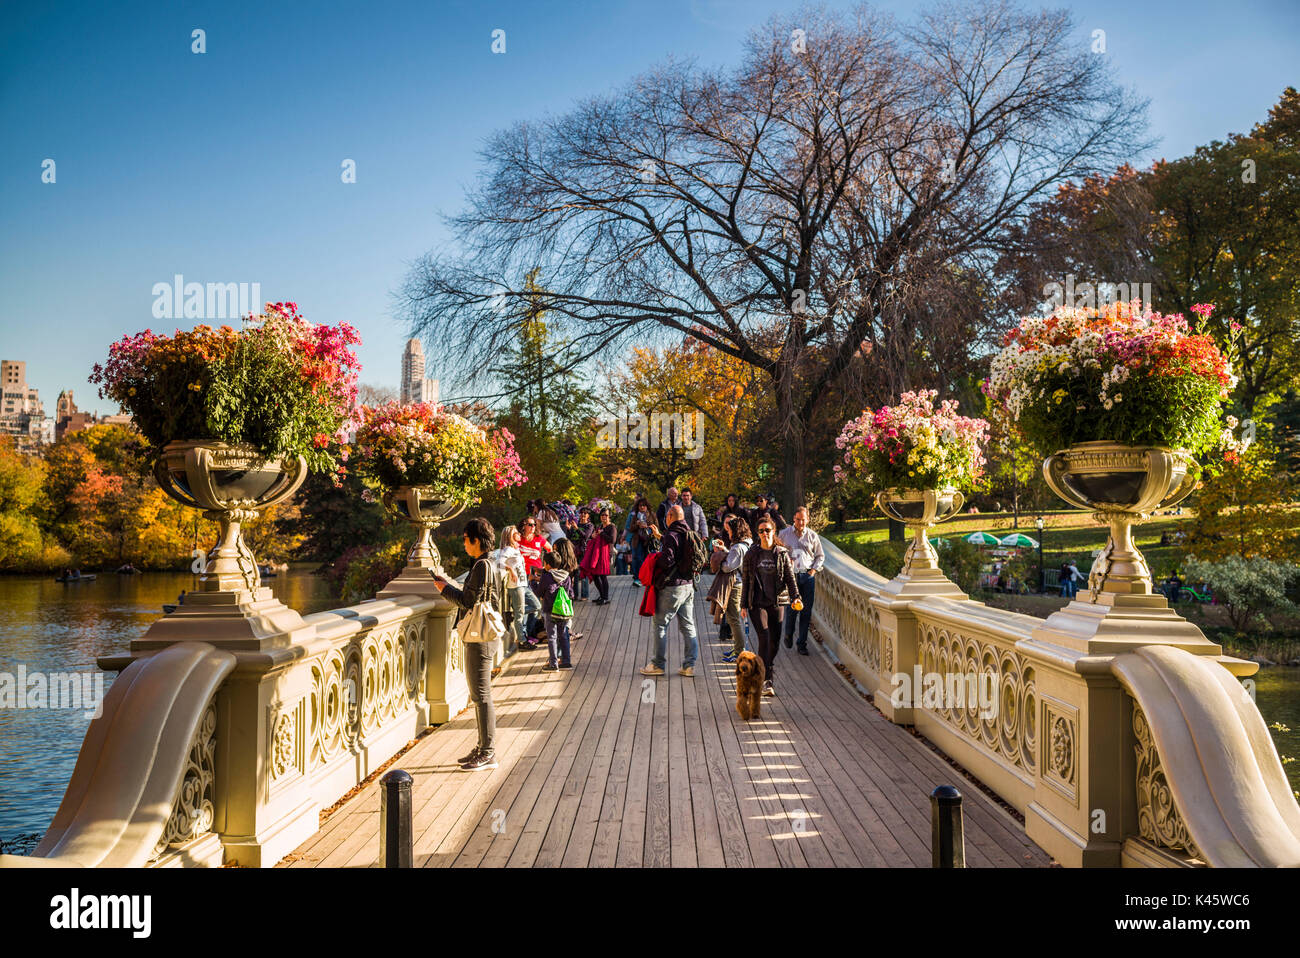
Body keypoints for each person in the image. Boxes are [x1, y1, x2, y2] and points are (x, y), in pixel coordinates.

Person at [430, 517, 503, 772]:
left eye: (465, 538)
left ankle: (488, 752)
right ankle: (483, 746)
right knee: (479, 694)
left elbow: (468, 601)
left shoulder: (482, 565)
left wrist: (444, 588)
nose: (463, 543)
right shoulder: (489, 563)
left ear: (475, 539)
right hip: (485, 637)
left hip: (481, 638)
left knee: (481, 696)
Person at [742, 518, 801, 696]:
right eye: (761, 531)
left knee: (774, 643)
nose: (764, 534)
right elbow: (746, 580)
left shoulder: (781, 553)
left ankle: (763, 668)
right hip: (757, 603)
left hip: (777, 603)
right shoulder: (752, 554)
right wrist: (744, 604)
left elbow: (790, 579)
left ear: (773, 531)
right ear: (757, 534)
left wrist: (796, 597)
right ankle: (766, 680)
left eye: (767, 530)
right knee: (764, 637)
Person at [640, 504, 700, 678]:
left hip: (672, 586)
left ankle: (658, 664)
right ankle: (689, 666)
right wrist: (661, 537)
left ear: (670, 516)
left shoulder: (671, 535)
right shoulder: (690, 533)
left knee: (660, 624)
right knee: (688, 625)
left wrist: (655, 559)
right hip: (688, 586)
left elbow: (667, 561)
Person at [779, 506, 825, 655]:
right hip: (791, 577)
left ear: (808, 520)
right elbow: (777, 552)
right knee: (792, 609)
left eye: (803, 520)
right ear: (794, 519)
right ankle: (789, 634)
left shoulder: (812, 536)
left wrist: (813, 571)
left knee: (806, 611)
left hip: (807, 576)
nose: (800, 522)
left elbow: (820, 556)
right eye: (798, 519)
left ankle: (802, 644)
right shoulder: (784, 534)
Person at [532, 549, 575, 671]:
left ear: (548, 565)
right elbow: (571, 594)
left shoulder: (546, 577)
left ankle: (553, 664)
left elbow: (539, 592)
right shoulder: (566, 576)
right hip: (563, 611)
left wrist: (532, 582)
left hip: (550, 611)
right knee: (564, 635)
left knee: (552, 637)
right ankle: (566, 662)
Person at [719, 517, 752, 663]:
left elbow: (728, 566)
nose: (729, 533)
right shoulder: (747, 543)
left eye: (730, 530)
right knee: (735, 618)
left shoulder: (738, 547)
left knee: (733, 619)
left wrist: (719, 559)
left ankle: (739, 651)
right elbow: (737, 559)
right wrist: (726, 550)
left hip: (736, 584)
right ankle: (737, 647)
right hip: (743, 583)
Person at [491, 526, 529, 653]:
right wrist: (510, 569)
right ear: (510, 536)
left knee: (535, 606)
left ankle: (517, 623)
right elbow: (499, 563)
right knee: (520, 613)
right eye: (516, 533)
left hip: (523, 584)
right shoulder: (508, 549)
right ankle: (522, 641)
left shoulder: (515, 548)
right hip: (516, 585)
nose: (519, 534)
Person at [517, 518, 551, 644]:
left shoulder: (539, 539)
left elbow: (550, 549)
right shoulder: (519, 538)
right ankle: (525, 634)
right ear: (523, 525)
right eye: (530, 524)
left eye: (534, 525)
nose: (532, 527)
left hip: (535, 576)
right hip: (521, 576)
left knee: (535, 606)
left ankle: (530, 633)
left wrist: (547, 566)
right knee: (527, 604)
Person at [581, 508, 617, 604]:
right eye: (602, 515)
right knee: (595, 574)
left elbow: (612, 540)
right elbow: (593, 538)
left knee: (602, 575)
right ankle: (601, 596)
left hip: (605, 553)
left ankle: (605, 597)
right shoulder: (600, 526)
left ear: (609, 516)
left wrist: (602, 533)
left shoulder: (612, 527)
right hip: (597, 553)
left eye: (606, 515)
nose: (604, 516)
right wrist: (593, 536)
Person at [565, 507, 594, 600]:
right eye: (581, 513)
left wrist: (577, 528)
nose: (583, 515)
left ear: (588, 515)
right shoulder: (575, 524)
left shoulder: (589, 526)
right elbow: (570, 537)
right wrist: (569, 529)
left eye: (585, 513)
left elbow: (585, 536)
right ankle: (575, 594)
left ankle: (584, 595)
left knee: (583, 572)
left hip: (583, 551)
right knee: (574, 573)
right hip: (574, 551)